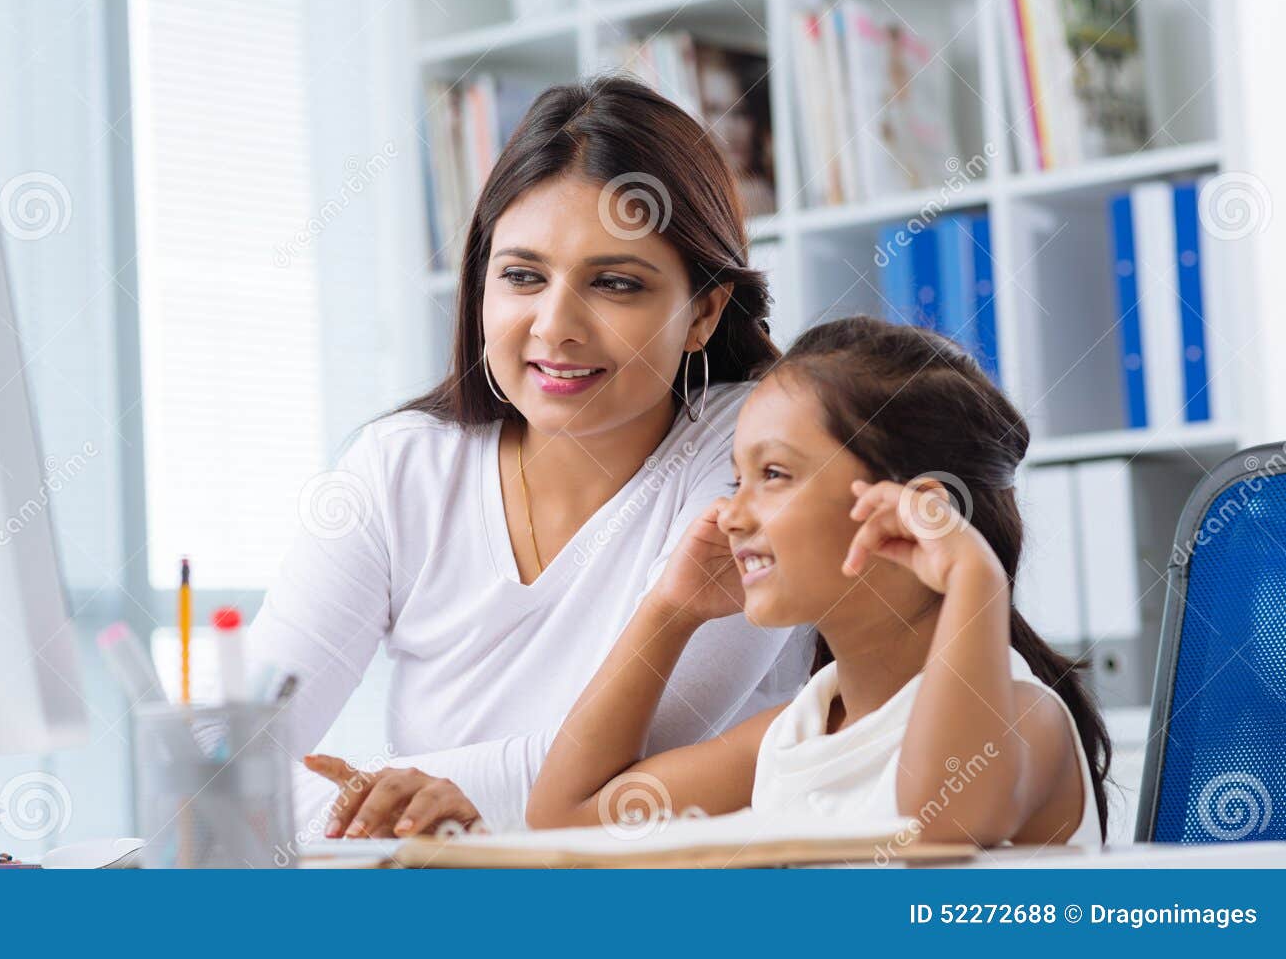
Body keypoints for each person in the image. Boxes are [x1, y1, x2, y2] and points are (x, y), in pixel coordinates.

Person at [249, 76, 812, 838]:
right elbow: (236, 762)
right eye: (522, 276)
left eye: (614, 283)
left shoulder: (759, 451)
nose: (555, 326)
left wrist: (397, 794)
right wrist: (391, 801)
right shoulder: (398, 469)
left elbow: (622, 768)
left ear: (703, 313)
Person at [526, 316, 1110, 847]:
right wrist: (669, 610)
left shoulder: (1022, 715)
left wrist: (973, 580)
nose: (730, 514)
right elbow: (567, 819)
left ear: (921, 515)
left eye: (773, 474)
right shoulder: (797, 733)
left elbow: (942, 831)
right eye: (736, 481)